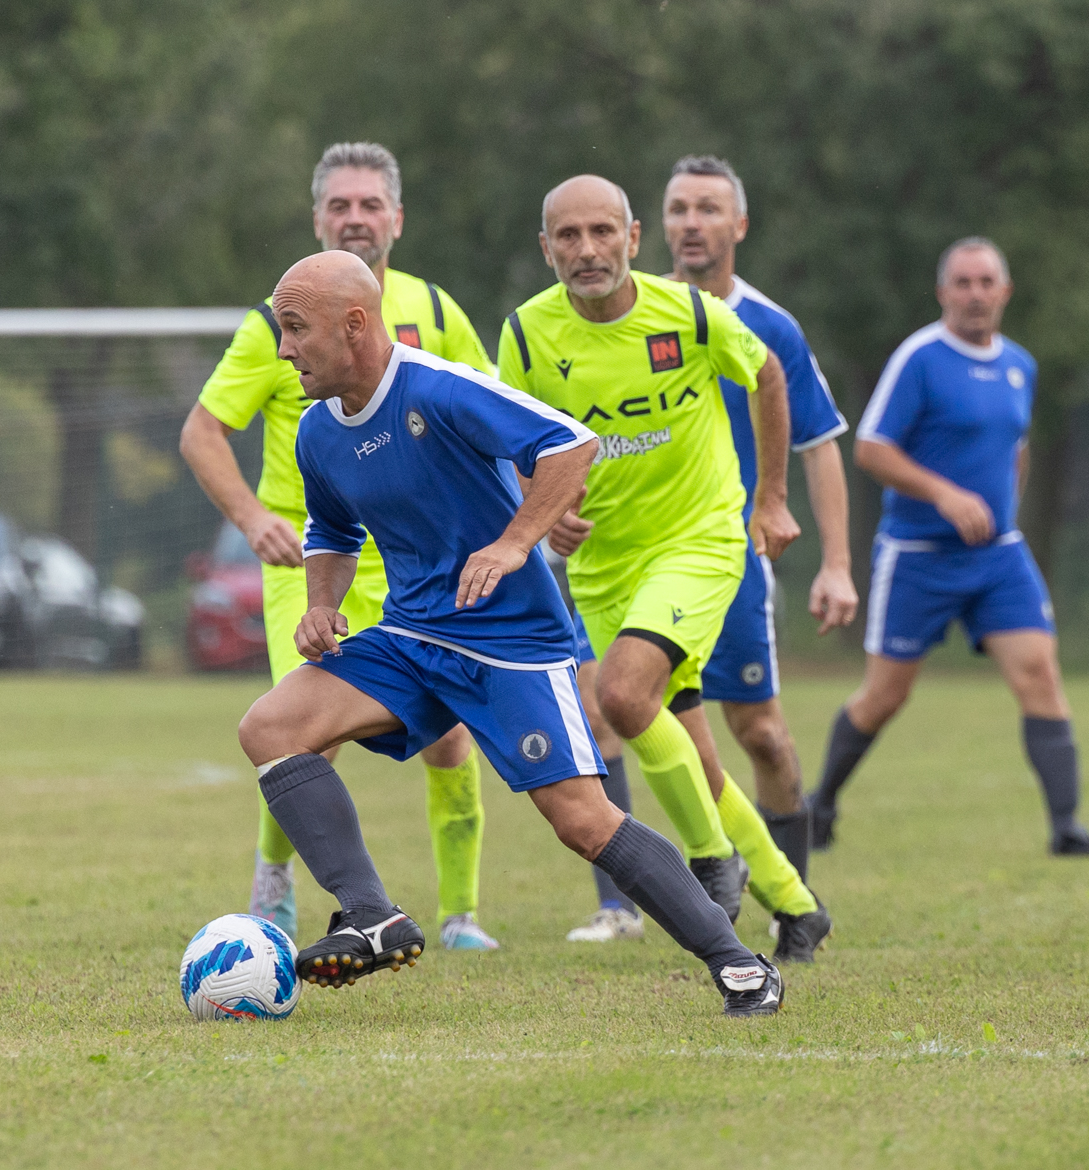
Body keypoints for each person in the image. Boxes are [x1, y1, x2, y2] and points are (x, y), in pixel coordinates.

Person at [237, 251, 784, 1016]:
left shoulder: (439, 387)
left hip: (510, 643)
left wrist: (513, 543)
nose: (284, 347)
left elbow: (570, 445)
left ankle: (740, 965)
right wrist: (320, 604)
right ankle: (373, 916)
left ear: (353, 325)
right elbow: (330, 528)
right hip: (412, 637)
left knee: (584, 823)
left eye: (295, 329)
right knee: (271, 726)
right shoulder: (318, 432)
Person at [498, 174, 834, 962]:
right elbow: (506, 437)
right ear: (545, 248)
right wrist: (540, 504)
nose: (587, 250)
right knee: (689, 751)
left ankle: (713, 861)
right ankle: (797, 903)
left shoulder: (687, 314)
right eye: (569, 237)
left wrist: (774, 498)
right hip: (607, 566)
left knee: (619, 695)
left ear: (633, 237)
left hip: (699, 541)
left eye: (602, 232)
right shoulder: (523, 336)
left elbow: (769, 375)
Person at [179, 142, 500, 952]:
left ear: (396, 218)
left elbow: (488, 411)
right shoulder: (275, 321)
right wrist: (254, 519)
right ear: (317, 218)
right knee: (299, 726)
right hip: (311, 560)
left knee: (452, 735)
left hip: (414, 560)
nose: (355, 218)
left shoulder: (435, 308)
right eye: (339, 206)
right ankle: (274, 888)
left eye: (369, 205)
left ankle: (461, 915)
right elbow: (203, 430)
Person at [810, 238, 1089, 860]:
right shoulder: (920, 358)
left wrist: (1000, 509)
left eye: (986, 282)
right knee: (885, 696)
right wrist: (945, 495)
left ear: (1004, 292)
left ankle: (1066, 829)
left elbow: (1016, 447)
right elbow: (871, 448)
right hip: (918, 556)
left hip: (998, 557)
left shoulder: (1020, 365)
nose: (975, 294)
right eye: (963, 283)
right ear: (943, 292)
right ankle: (819, 807)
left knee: (1040, 676)